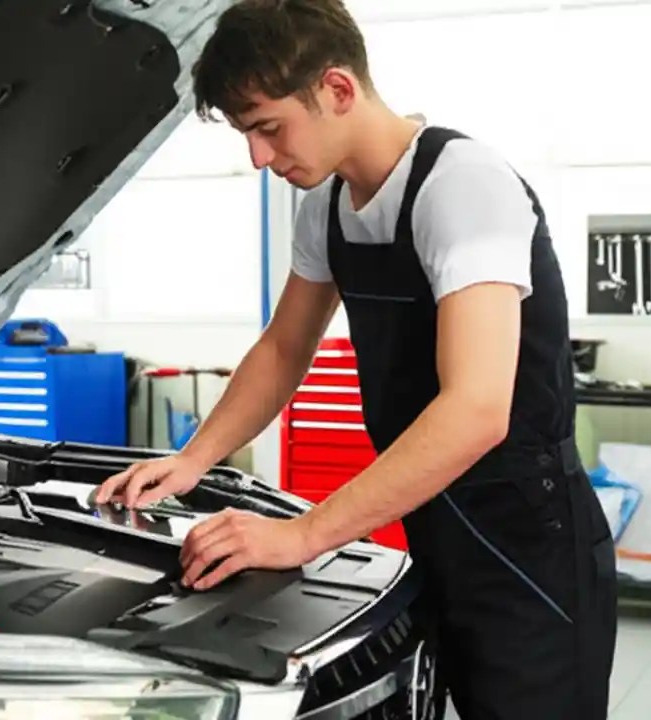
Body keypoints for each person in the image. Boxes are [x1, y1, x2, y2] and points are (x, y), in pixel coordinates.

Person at [95, 1, 617, 717]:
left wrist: (303, 535)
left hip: (530, 546)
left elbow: (475, 411)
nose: (258, 157)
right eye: (248, 135)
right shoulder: (327, 203)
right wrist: (196, 459)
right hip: (432, 523)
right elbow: (283, 349)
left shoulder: (462, 186)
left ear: (337, 90)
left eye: (269, 128)